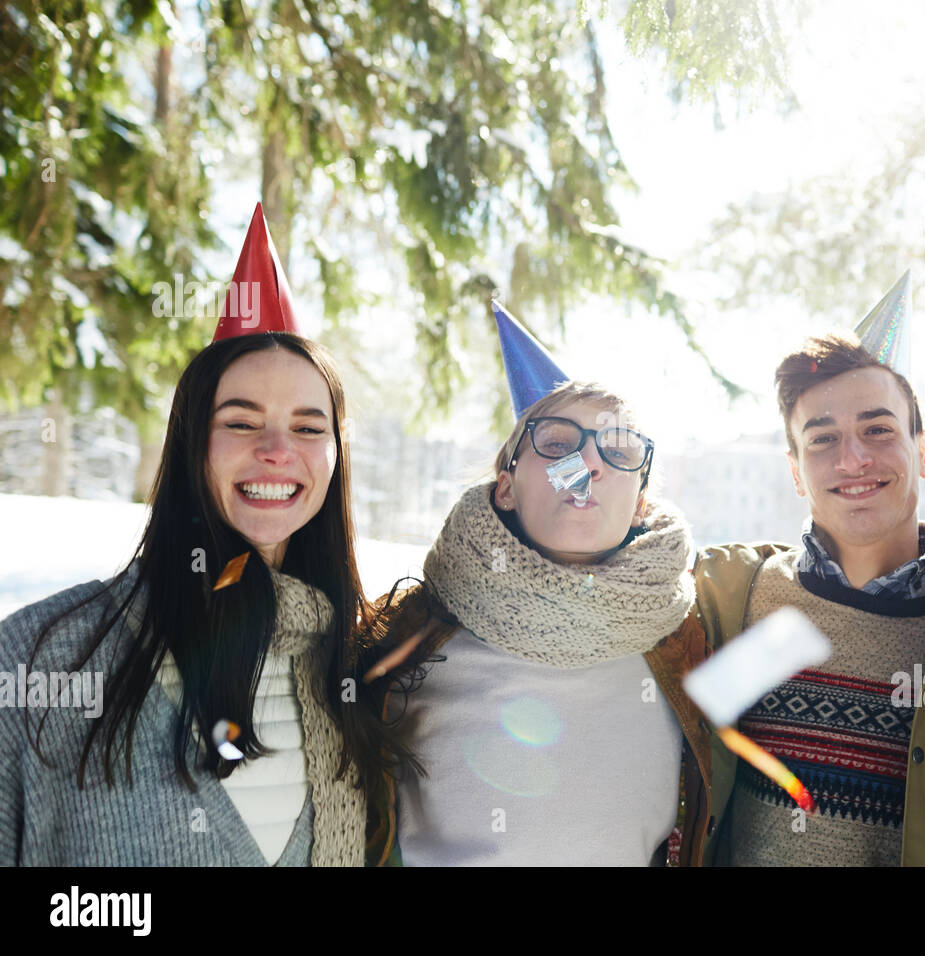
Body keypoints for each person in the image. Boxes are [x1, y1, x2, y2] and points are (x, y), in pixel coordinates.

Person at [0, 205, 398, 866]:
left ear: (336, 454)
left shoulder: (353, 666)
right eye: (241, 422)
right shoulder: (40, 659)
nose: (277, 450)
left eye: (307, 427)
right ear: (191, 444)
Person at [681, 281, 925, 866]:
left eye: (878, 430)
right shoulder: (745, 598)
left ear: (923, 450)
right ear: (795, 472)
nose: (853, 460)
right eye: (823, 440)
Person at [363, 304, 702, 866]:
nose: (587, 463)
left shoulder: (688, 631)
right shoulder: (410, 630)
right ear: (506, 488)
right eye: (556, 442)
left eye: (617, 450)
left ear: (641, 504)